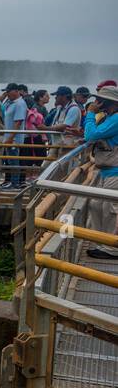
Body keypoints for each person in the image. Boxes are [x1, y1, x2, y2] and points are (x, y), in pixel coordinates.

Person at [82, 85, 118, 259]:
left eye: (100, 100)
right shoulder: (108, 117)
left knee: (110, 208)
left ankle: (112, 247)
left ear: (109, 102)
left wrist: (89, 114)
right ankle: (100, 241)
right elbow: (90, 135)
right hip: (106, 169)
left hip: (115, 169)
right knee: (96, 205)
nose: (97, 102)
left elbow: (91, 136)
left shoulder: (116, 118)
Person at [0, 83, 28, 189]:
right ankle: (11, 181)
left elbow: (18, 122)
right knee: (9, 160)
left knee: (13, 161)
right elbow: (1, 110)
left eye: (8, 91)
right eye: (6, 92)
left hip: (14, 139)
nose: (7, 94)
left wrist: (10, 138)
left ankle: (15, 182)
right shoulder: (9, 102)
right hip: (7, 137)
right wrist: (2, 98)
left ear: (16, 91)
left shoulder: (20, 103)